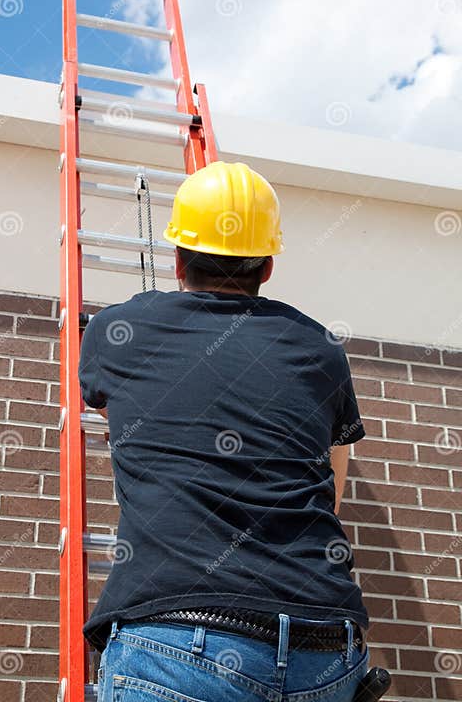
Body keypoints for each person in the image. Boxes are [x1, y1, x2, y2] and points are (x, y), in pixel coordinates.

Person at [79, 160, 370, 702]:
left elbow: (107, 418)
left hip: (175, 639)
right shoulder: (319, 348)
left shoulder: (115, 332)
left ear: (177, 257)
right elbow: (334, 490)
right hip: (324, 643)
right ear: (268, 267)